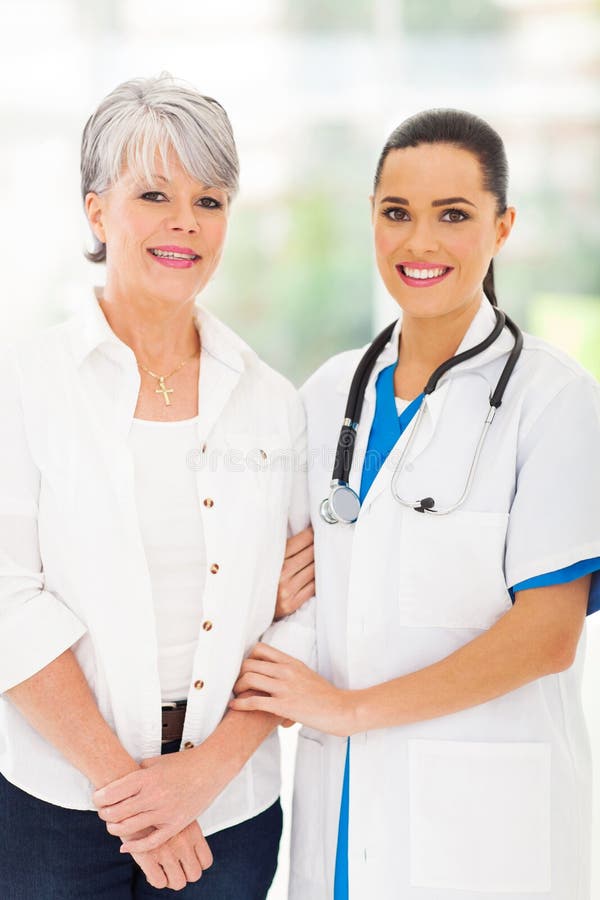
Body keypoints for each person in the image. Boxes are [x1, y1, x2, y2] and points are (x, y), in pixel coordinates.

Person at [230, 108, 600, 899]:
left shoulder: (554, 400)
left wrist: (350, 710)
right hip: (345, 812)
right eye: (397, 213)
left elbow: (547, 636)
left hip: (482, 828)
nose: (420, 242)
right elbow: (294, 584)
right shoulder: (329, 394)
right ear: (372, 219)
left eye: (454, 215)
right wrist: (272, 595)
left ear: (503, 227)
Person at [0, 74, 315, 898]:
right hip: (54, 804)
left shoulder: (271, 400)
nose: (186, 221)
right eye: (154, 194)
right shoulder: (24, 384)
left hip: (228, 806)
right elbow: (7, 598)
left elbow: (304, 614)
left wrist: (201, 777)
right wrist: (135, 796)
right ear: (97, 211)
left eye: (209, 200)